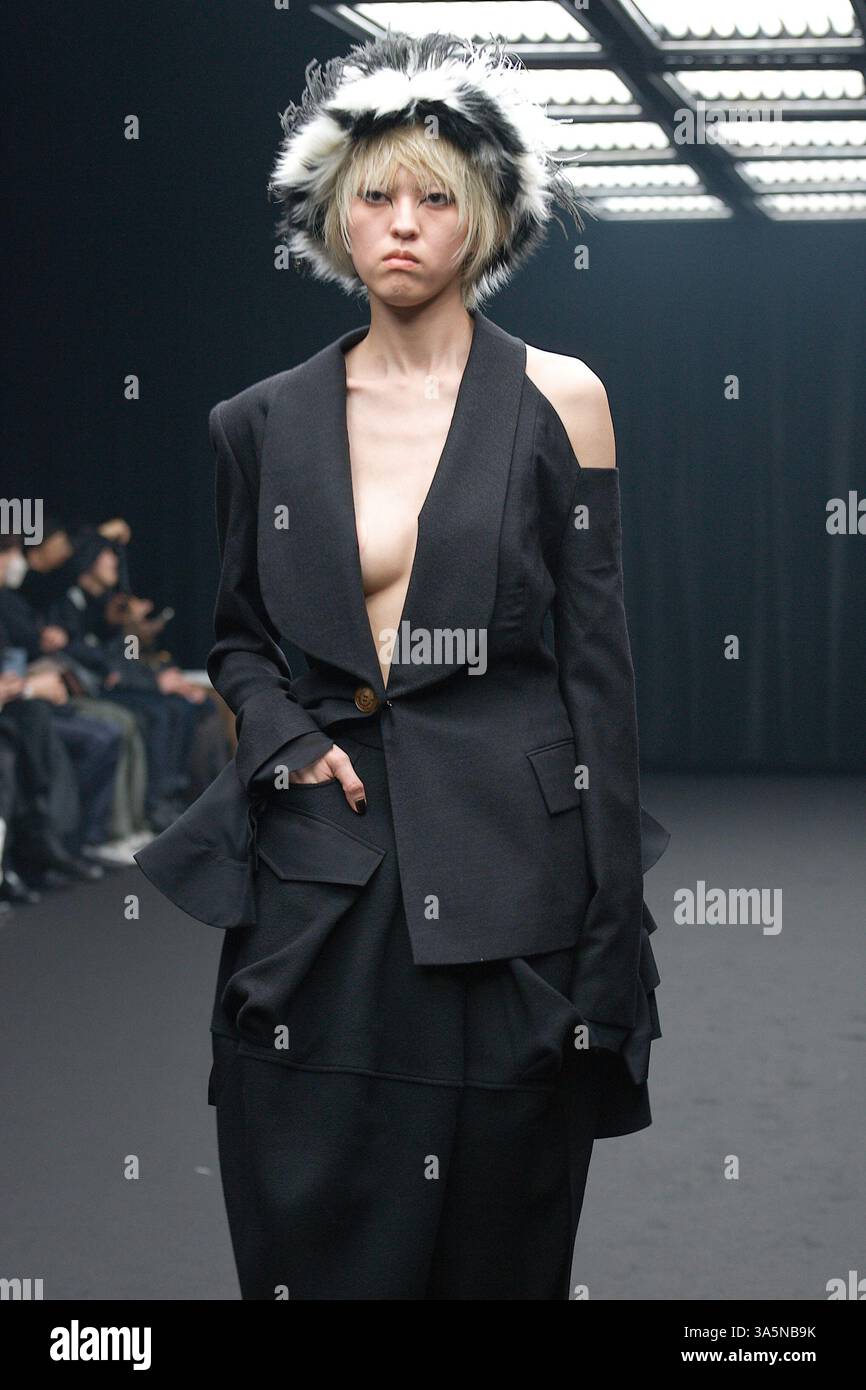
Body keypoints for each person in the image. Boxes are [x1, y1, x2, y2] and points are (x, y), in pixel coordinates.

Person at [136, 30, 670, 1300]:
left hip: (511, 893)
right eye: (375, 194)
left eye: (437, 197)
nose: (403, 224)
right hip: (318, 892)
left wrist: (610, 942)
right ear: (331, 213)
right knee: (307, 1238)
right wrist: (283, 736)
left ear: (485, 221)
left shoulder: (560, 398)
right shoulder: (256, 423)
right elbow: (234, 638)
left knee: (498, 1250)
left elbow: (598, 673)